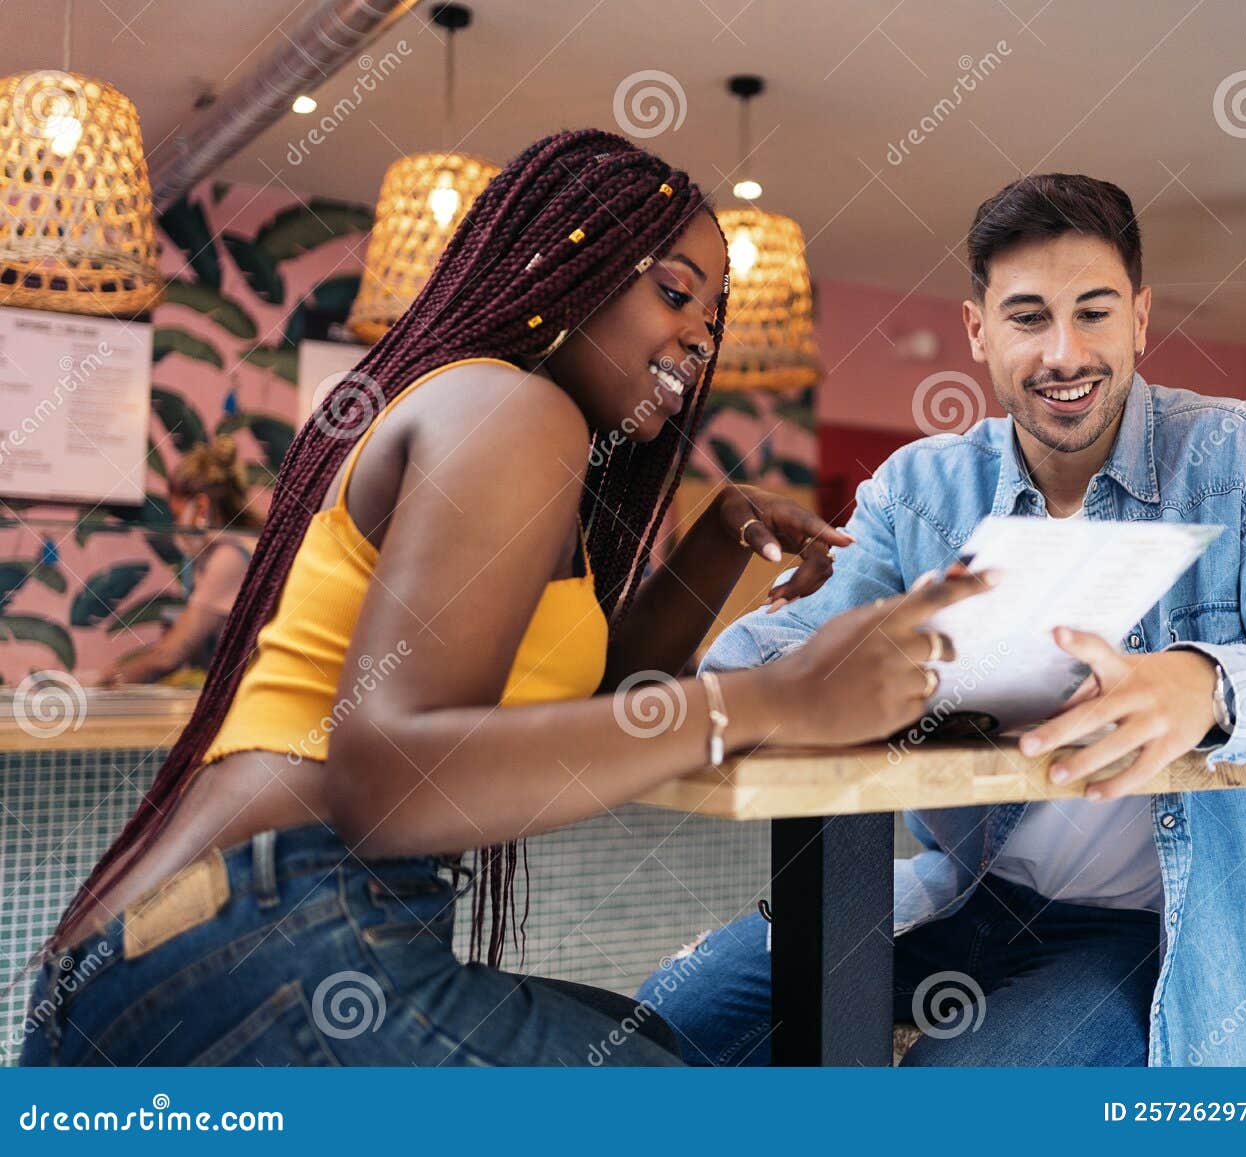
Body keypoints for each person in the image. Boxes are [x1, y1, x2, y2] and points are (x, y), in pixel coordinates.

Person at [19, 130, 990, 1067]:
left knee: (663, 1046)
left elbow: (593, 706)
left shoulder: (502, 417)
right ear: (566, 271)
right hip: (257, 936)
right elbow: (388, 781)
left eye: (713, 312)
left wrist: (710, 540)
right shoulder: (510, 409)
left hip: (200, 952)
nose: (700, 334)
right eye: (674, 291)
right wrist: (780, 699)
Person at [641, 172, 1246, 1067]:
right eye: (1027, 318)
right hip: (961, 893)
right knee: (669, 1022)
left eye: (1093, 313)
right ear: (978, 331)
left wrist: (1204, 685)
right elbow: (762, 661)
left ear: (1139, 318)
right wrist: (831, 662)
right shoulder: (921, 488)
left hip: (1143, 935)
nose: (1063, 353)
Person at [98, 437, 258, 687]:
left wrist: (108, 682)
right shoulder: (236, 549)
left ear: (201, 507)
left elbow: (168, 657)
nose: (176, 526)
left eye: (176, 514)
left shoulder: (232, 557)